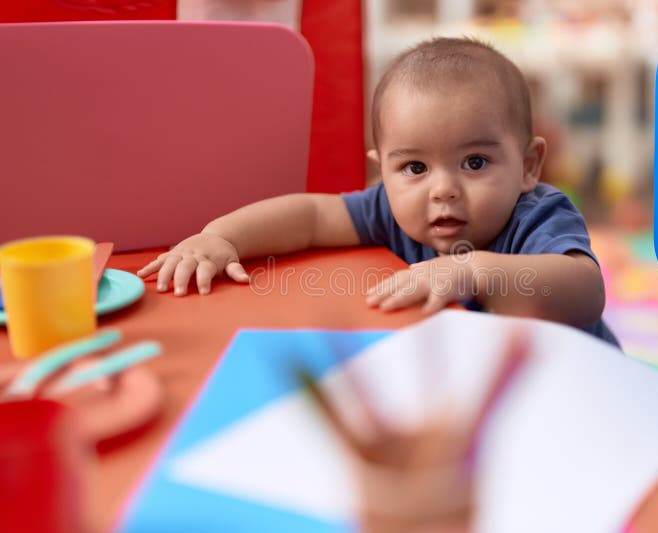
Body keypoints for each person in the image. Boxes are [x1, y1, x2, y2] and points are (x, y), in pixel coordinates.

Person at [137, 37, 618, 345]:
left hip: (577, 392)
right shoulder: (390, 209)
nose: (443, 190)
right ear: (383, 173)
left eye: (475, 162)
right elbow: (310, 216)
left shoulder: (536, 215)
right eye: (414, 167)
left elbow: (585, 291)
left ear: (529, 165)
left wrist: (470, 271)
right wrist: (222, 238)